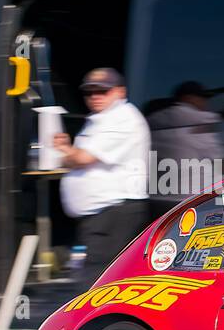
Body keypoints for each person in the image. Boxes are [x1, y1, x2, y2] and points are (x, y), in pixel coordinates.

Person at [54, 68, 151, 286]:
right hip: (103, 215)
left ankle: (94, 321)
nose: (95, 96)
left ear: (119, 92)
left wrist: (63, 149)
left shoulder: (122, 117)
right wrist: (69, 154)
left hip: (115, 213)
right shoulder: (101, 119)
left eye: (102, 91)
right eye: (89, 92)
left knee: (98, 281)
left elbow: (83, 158)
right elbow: (75, 159)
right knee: (101, 278)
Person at [146, 80, 224, 216]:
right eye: (202, 98)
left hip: (157, 198)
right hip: (190, 199)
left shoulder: (155, 120)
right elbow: (218, 162)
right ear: (189, 98)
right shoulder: (202, 122)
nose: (205, 103)